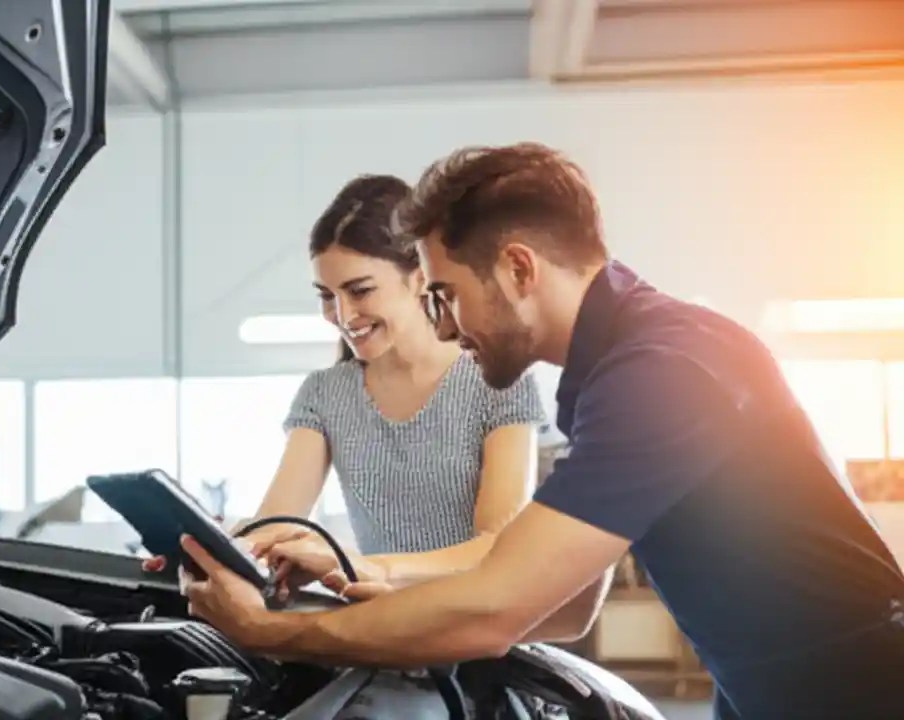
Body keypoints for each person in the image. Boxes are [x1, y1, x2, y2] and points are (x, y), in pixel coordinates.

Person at [179, 143, 904, 720]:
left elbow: (499, 607)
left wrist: (272, 633)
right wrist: (368, 575)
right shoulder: (609, 372)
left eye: (448, 295)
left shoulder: (665, 368)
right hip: (764, 689)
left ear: (518, 268)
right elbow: (566, 602)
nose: (446, 326)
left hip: (860, 691)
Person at [145, 174, 546, 595]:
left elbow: (497, 549)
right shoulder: (325, 394)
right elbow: (279, 522)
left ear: (420, 277)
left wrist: (365, 567)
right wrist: (208, 551)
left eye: (360, 290)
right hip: (386, 632)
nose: (342, 315)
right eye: (326, 295)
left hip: (483, 633)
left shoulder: (498, 381)